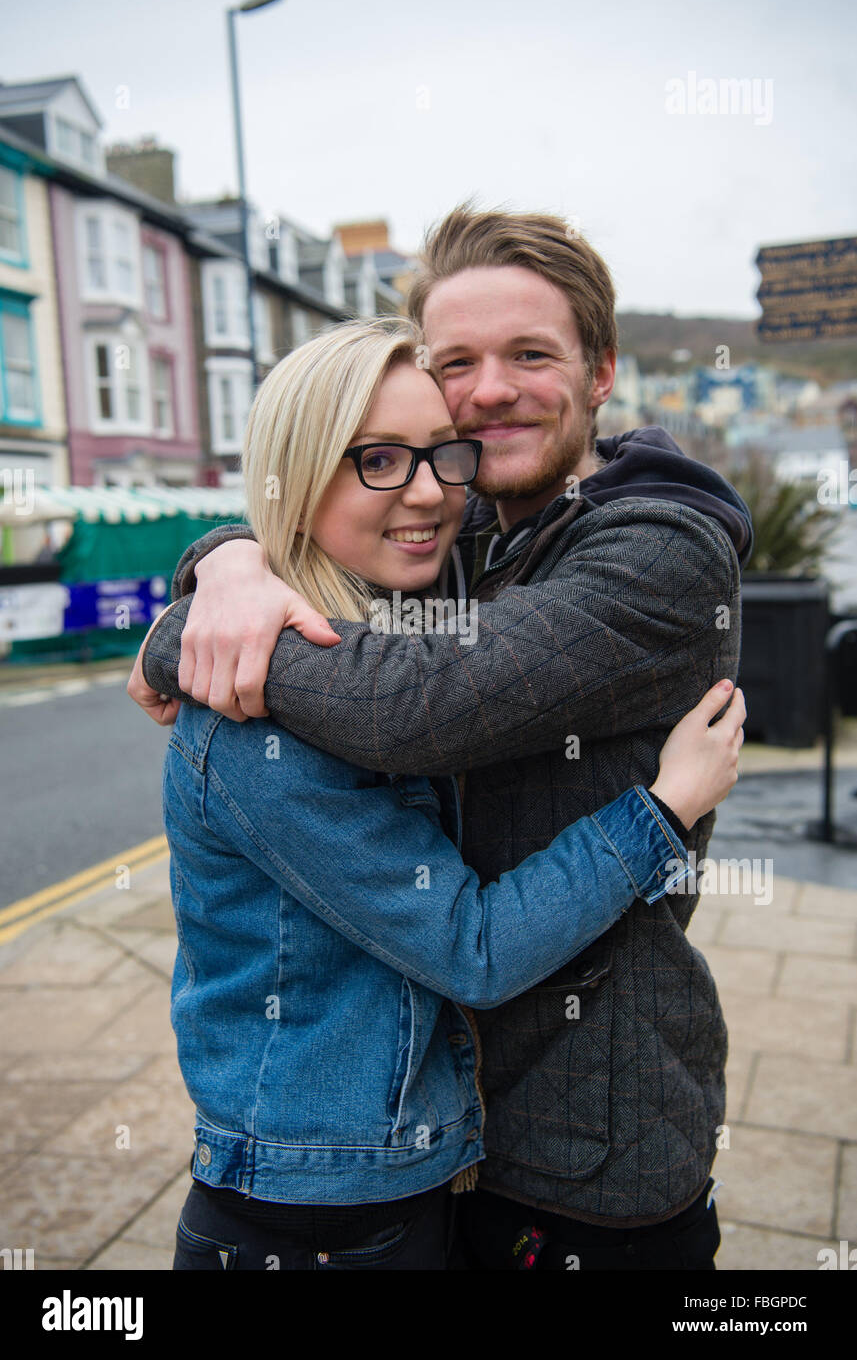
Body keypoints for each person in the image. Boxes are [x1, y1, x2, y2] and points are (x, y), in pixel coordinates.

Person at [130, 205, 753, 1271]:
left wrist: (192, 635)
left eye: (530, 353)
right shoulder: (477, 516)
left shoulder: (655, 553)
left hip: (591, 1149)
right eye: (458, 358)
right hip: (429, 1152)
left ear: (601, 371)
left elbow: (415, 704)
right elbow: (329, 502)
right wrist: (223, 568)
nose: (491, 388)